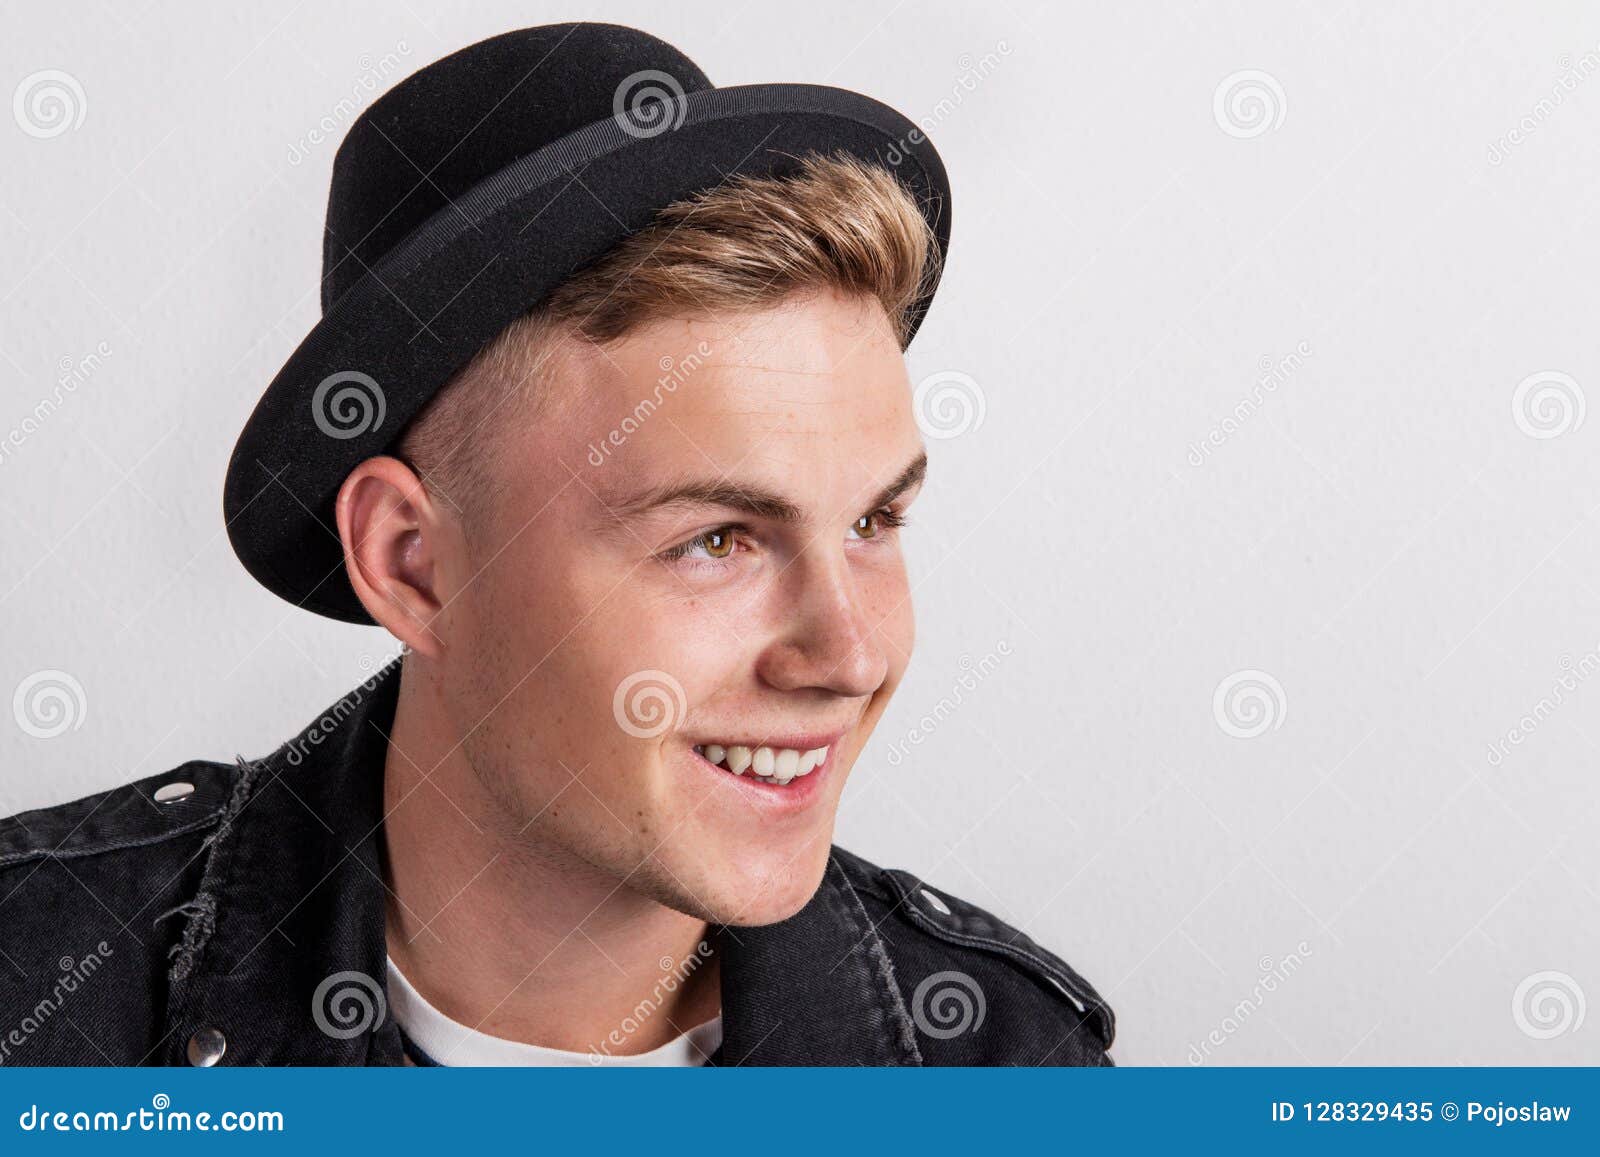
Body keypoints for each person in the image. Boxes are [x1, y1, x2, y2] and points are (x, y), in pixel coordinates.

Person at [0, 22, 1114, 1067]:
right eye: (717, 539)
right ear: (410, 563)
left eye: (872, 520)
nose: (850, 654)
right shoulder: (35, 991)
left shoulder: (1009, 1066)